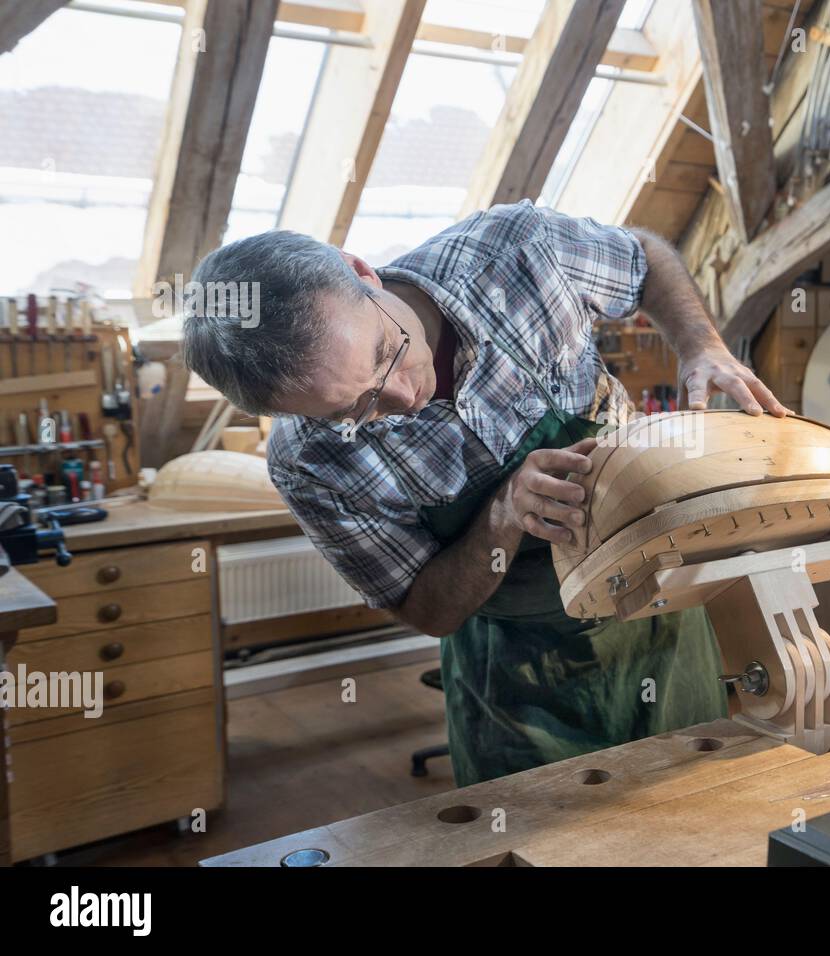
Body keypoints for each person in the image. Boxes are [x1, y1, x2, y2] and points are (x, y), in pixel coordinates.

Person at [182, 201, 787, 785]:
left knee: (697, 821)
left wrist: (701, 343)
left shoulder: (516, 253)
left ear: (361, 272)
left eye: (386, 353)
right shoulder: (309, 461)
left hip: (659, 615)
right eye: (356, 409)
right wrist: (503, 515)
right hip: (521, 683)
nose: (402, 397)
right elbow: (428, 609)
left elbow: (645, 257)